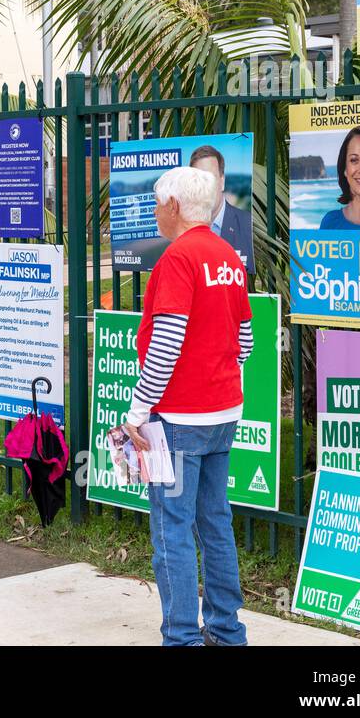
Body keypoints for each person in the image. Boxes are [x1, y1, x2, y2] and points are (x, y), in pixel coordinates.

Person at [122, 166, 254, 647]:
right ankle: (226, 630)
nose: (156, 211)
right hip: (223, 414)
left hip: (179, 418)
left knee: (172, 528)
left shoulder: (177, 259)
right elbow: (245, 342)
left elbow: (166, 343)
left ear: (174, 206)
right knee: (215, 521)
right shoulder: (228, 257)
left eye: (158, 203)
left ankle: (181, 637)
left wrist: (137, 412)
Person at [189, 145, 254, 274]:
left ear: (222, 181)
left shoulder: (247, 224)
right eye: (199, 179)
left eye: (210, 178)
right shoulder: (182, 228)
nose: (205, 186)